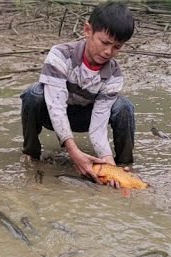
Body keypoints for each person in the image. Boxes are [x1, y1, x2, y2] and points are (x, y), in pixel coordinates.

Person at [20, 1, 136, 185]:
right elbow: (56, 107)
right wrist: (73, 152)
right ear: (87, 30)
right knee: (32, 94)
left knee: (124, 106)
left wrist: (109, 164)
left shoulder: (114, 74)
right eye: (104, 42)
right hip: (53, 113)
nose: (108, 52)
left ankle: (123, 164)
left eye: (117, 47)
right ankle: (31, 154)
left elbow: (98, 125)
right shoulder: (60, 55)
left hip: (86, 118)